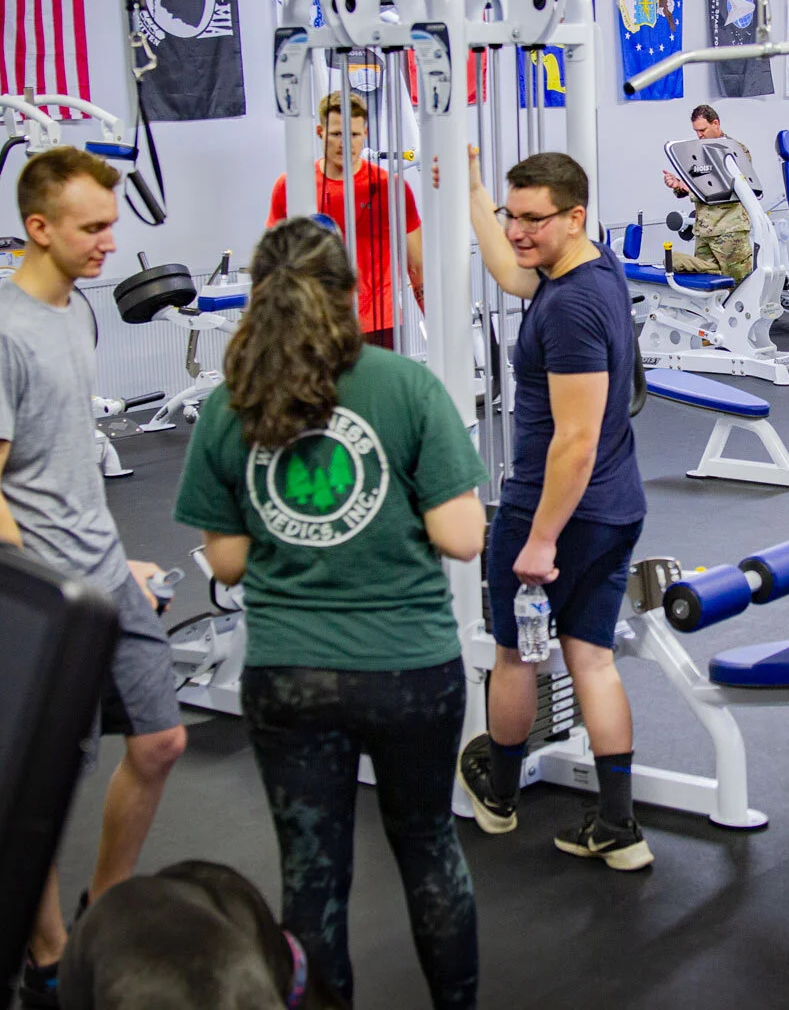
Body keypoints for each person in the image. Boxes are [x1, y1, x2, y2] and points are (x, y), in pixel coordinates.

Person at [172, 217, 485, 1008]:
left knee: (313, 874)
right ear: (350, 293)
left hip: (289, 673)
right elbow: (462, 536)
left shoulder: (229, 403)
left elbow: (229, 562)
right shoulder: (407, 385)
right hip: (411, 669)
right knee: (426, 845)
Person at [0, 147, 187, 1008]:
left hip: (104, 571)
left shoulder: (75, 313)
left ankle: (106, 908)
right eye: (92, 228)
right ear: (39, 228)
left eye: (111, 224)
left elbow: (63, 467)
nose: (108, 243)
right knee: (44, 788)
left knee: (161, 741)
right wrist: (33, 606)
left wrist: (116, 556)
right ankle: (47, 956)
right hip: (45, 592)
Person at [457, 149, 652, 869]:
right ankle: (619, 827)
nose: (517, 232)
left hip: (558, 509)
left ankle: (500, 800)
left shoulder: (569, 311)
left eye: (534, 219)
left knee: (514, 658)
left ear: (575, 216)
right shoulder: (590, 270)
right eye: (512, 215)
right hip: (614, 504)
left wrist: (539, 540)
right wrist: (473, 191)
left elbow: (574, 440)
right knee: (592, 661)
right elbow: (511, 273)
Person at [267, 90, 425, 349]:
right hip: (315, 321)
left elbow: (417, 265)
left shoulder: (390, 187)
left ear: (365, 133)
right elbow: (274, 263)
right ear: (320, 132)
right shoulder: (292, 186)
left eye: (353, 135)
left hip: (379, 322)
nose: (346, 144)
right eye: (336, 134)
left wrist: (436, 325)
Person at [662, 104, 754, 280]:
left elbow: (731, 186)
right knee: (704, 284)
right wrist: (678, 185)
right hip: (704, 230)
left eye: (702, 130)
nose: (699, 135)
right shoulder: (698, 153)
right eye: (696, 131)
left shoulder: (735, 150)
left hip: (729, 229)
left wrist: (690, 187)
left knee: (738, 283)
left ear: (716, 124)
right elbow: (693, 183)